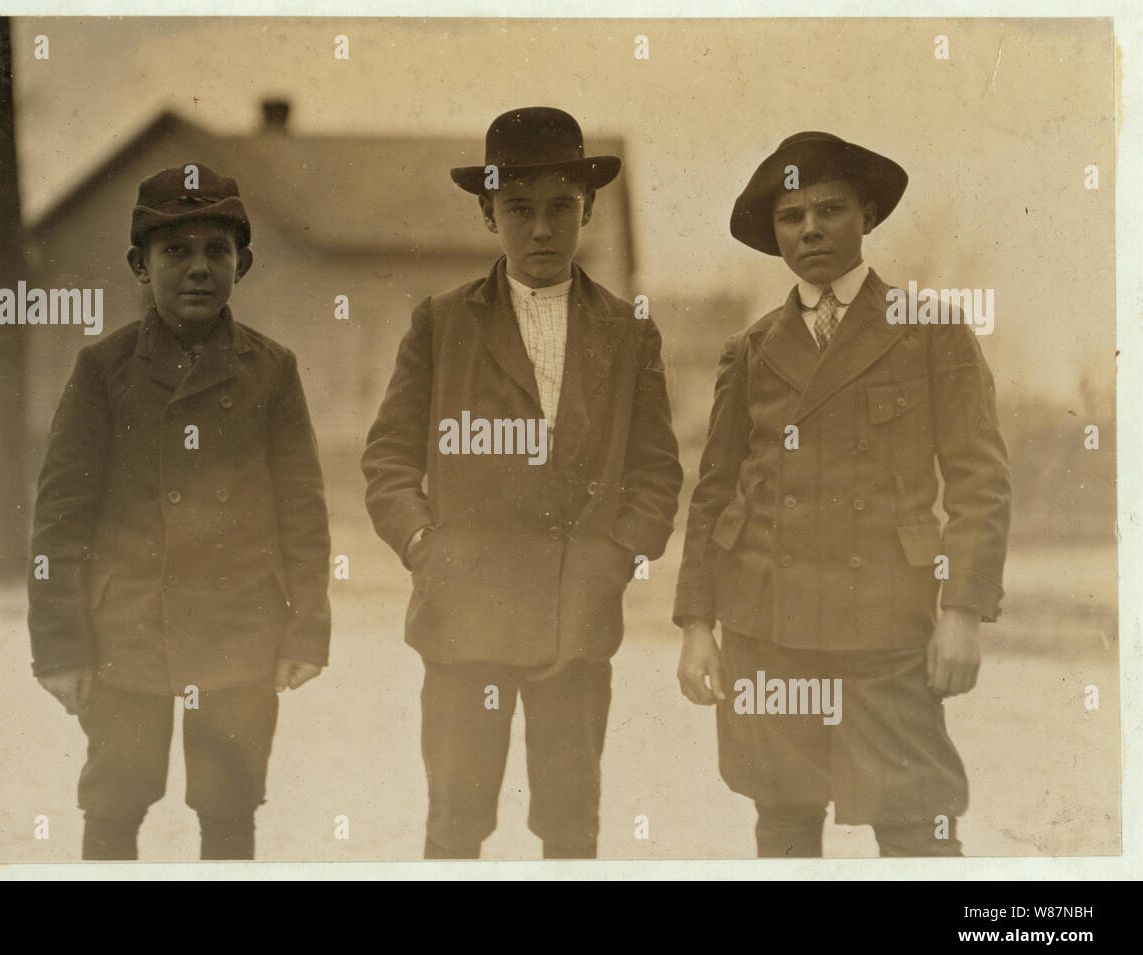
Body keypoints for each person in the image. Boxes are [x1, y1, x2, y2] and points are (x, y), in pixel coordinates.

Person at [673, 131, 1011, 857]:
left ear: (868, 217)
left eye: (830, 209)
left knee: (917, 821)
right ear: (775, 235)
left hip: (885, 625)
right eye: (791, 217)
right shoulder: (752, 349)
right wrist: (697, 624)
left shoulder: (930, 330)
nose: (811, 229)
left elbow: (980, 479)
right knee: (785, 822)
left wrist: (963, 612)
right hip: (766, 622)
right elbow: (713, 494)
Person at [362, 107, 683, 859]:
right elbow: (387, 462)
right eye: (519, 210)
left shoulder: (628, 330)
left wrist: (614, 559)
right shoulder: (440, 325)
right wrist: (422, 547)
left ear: (589, 211)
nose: (541, 229)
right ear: (487, 214)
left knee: (571, 828)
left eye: (561, 209)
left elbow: (657, 470)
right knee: (456, 824)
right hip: (462, 615)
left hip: (576, 619)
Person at [27, 164, 331, 860]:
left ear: (242, 264)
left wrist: (307, 627)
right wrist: (62, 645)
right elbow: (60, 519)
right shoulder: (103, 369)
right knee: (115, 801)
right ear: (141, 264)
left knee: (229, 805)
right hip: (126, 628)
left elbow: (303, 511)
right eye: (175, 252)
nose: (198, 269)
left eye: (216, 252)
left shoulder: (272, 369)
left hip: (240, 631)